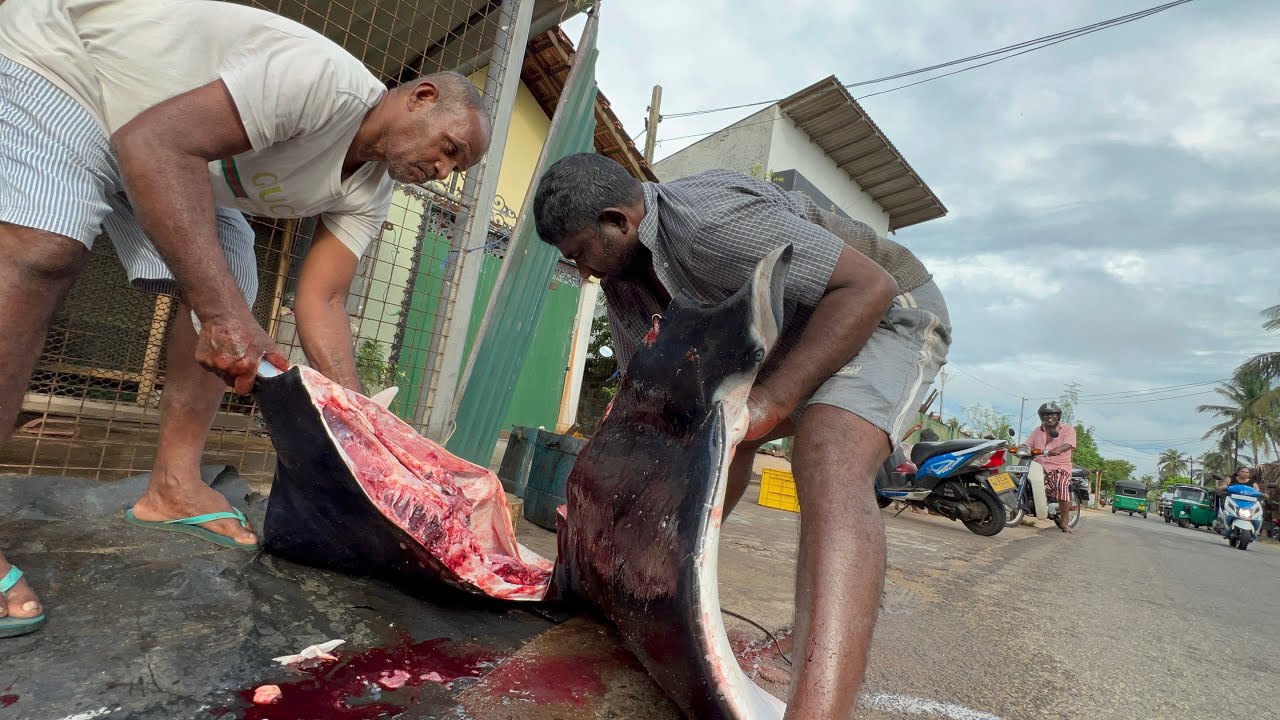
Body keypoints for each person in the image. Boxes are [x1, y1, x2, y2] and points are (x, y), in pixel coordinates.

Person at [0, 0, 493, 637]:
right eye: (449, 148)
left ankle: (173, 486)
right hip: (68, 68)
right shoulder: (323, 84)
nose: (442, 170)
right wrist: (222, 315)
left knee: (233, 265)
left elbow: (323, 299)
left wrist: (362, 432)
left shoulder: (371, 189)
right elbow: (153, 143)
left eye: (456, 168)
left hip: (149, 139)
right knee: (42, 249)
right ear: (420, 97)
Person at [532, 153, 952, 719]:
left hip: (885, 309)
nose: (583, 271)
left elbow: (867, 286)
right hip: (799, 327)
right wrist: (605, 524)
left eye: (581, 253)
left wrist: (770, 402)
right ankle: (661, 593)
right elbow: (650, 409)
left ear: (618, 221)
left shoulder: (708, 224)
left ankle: (817, 711)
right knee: (712, 435)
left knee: (828, 451)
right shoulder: (624, 285)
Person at [1023, 401, 1076, 533]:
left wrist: (1058, 449)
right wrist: (1019, 448)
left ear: (1058, 415)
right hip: (1039, 466)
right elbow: (1027, 445)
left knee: (1061, 486)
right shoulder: (1037, 431)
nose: (1049, 417)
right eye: (1045, 414)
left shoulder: (1067, 429)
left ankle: (1064, 523)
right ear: (1041, 416)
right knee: (1022, 479)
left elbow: (1069, 444)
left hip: (1060, 466)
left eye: (1052, 414)